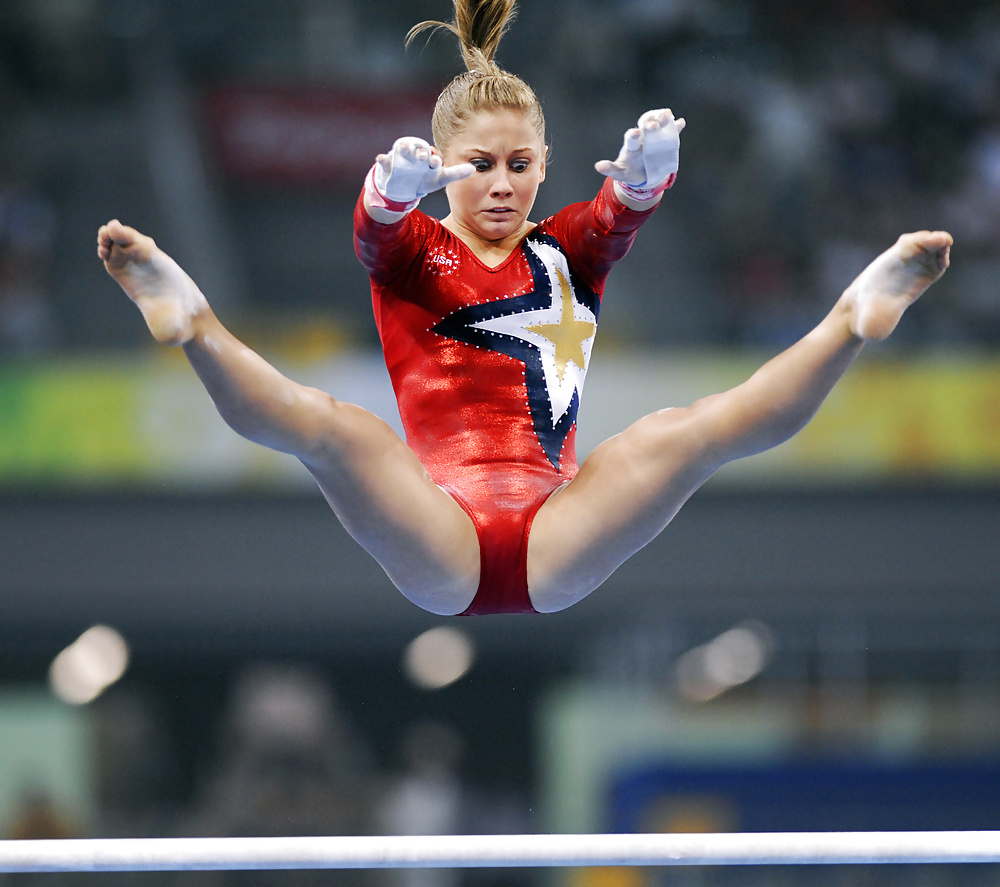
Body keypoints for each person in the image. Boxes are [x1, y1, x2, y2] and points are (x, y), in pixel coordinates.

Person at [97, 0, 952, 619]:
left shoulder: (567, 249)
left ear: (545, 163)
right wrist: (389, 191)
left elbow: (617, 219)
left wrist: (647, 174)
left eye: (519, 164)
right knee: (335, 429)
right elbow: (373, 237)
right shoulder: (415, 252)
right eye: (479, 165)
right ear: (444, 164)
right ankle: (193, 325)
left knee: (685, 433)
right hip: (440, 535)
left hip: (558, 533)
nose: (501, 184)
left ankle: (852, 319)